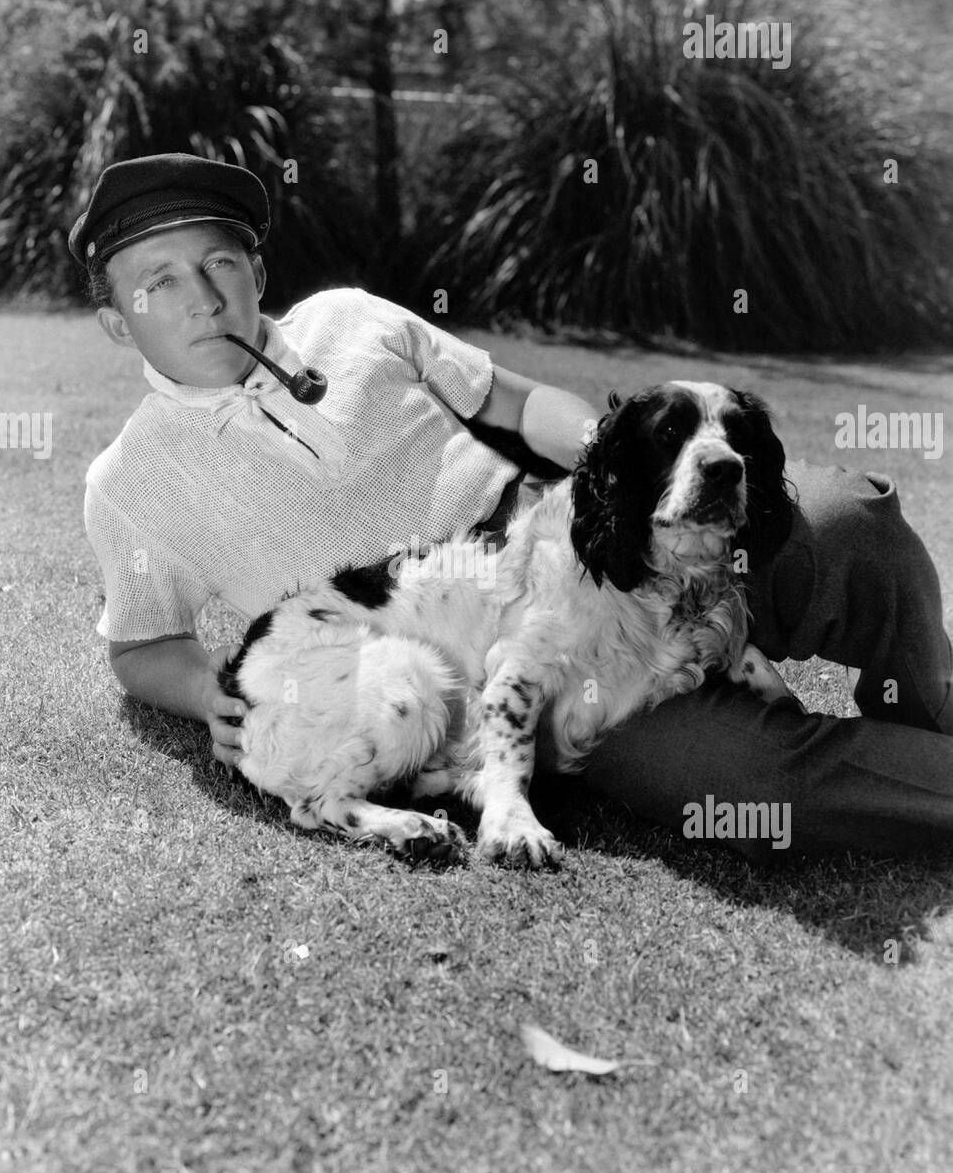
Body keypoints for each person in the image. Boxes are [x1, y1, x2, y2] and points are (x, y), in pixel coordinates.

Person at [70, 153, 953, 859]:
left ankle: (928, 713)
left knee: (855, 525)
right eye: (158, 283)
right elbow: (140, 643)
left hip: (583, 533)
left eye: (218, 260)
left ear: (255, 267)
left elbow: (514, 403)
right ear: (117, 320)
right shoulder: (128, 480)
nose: (203, 296)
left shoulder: (352, 318)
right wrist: (206, 697)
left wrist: (624, 470)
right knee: (762, 785)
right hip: (497, 662)